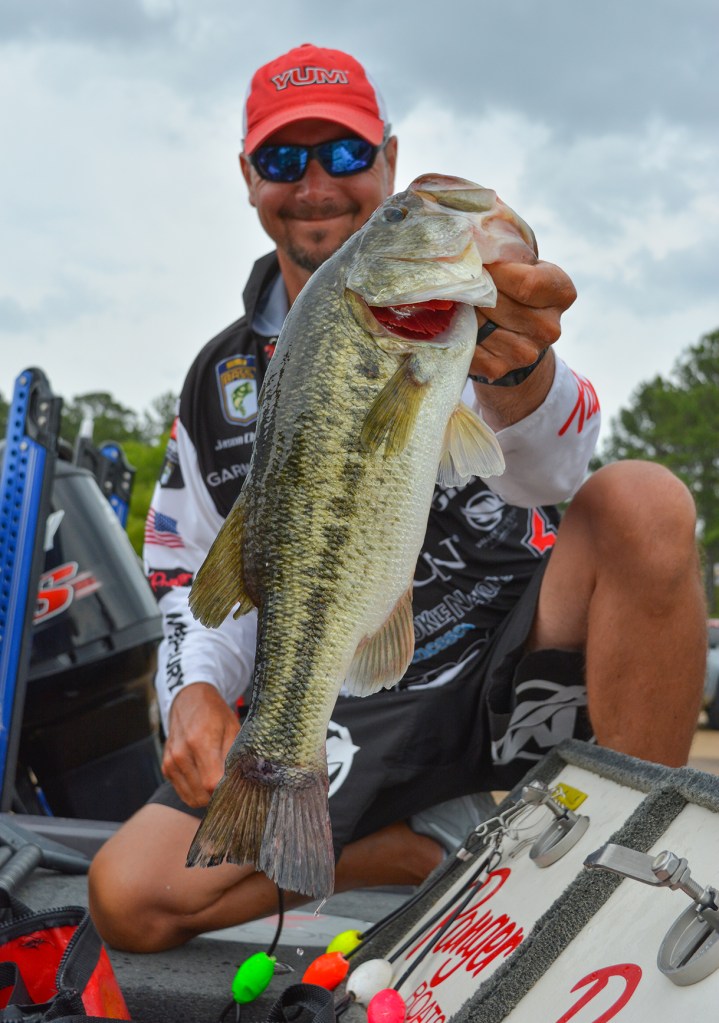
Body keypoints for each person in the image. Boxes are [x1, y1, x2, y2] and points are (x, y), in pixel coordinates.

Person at [88, 43, 706, 953]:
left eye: (341, 154)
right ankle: (407, 848)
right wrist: (195, 692)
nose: (315, 184)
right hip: (351, 689)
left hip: (503, 661)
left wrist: (520, 367)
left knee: (644, 502)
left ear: (385, 156)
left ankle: (634, 875)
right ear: (248, 179)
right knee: (128, 895)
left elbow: (555, 472)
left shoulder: (460, 312)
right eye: (282, 159)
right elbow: (193, 570)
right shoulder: (213, 383)